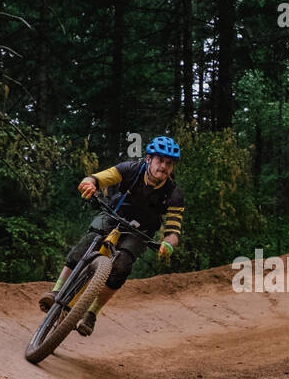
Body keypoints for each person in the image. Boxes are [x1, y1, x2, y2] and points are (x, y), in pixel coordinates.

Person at [39, 135, 185, 336]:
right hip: (113, 214)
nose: (164, 166)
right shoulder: (130, 169)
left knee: (122, 265)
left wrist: (168, 244)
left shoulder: (173, 194)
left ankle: (92, 313)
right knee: (86, 244)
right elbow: (98, 178)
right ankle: (56, 290)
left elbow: (173, 231)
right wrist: (89, 184)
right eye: (160, 160)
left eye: (169, 163)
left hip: (141, 231)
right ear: (149, 159)